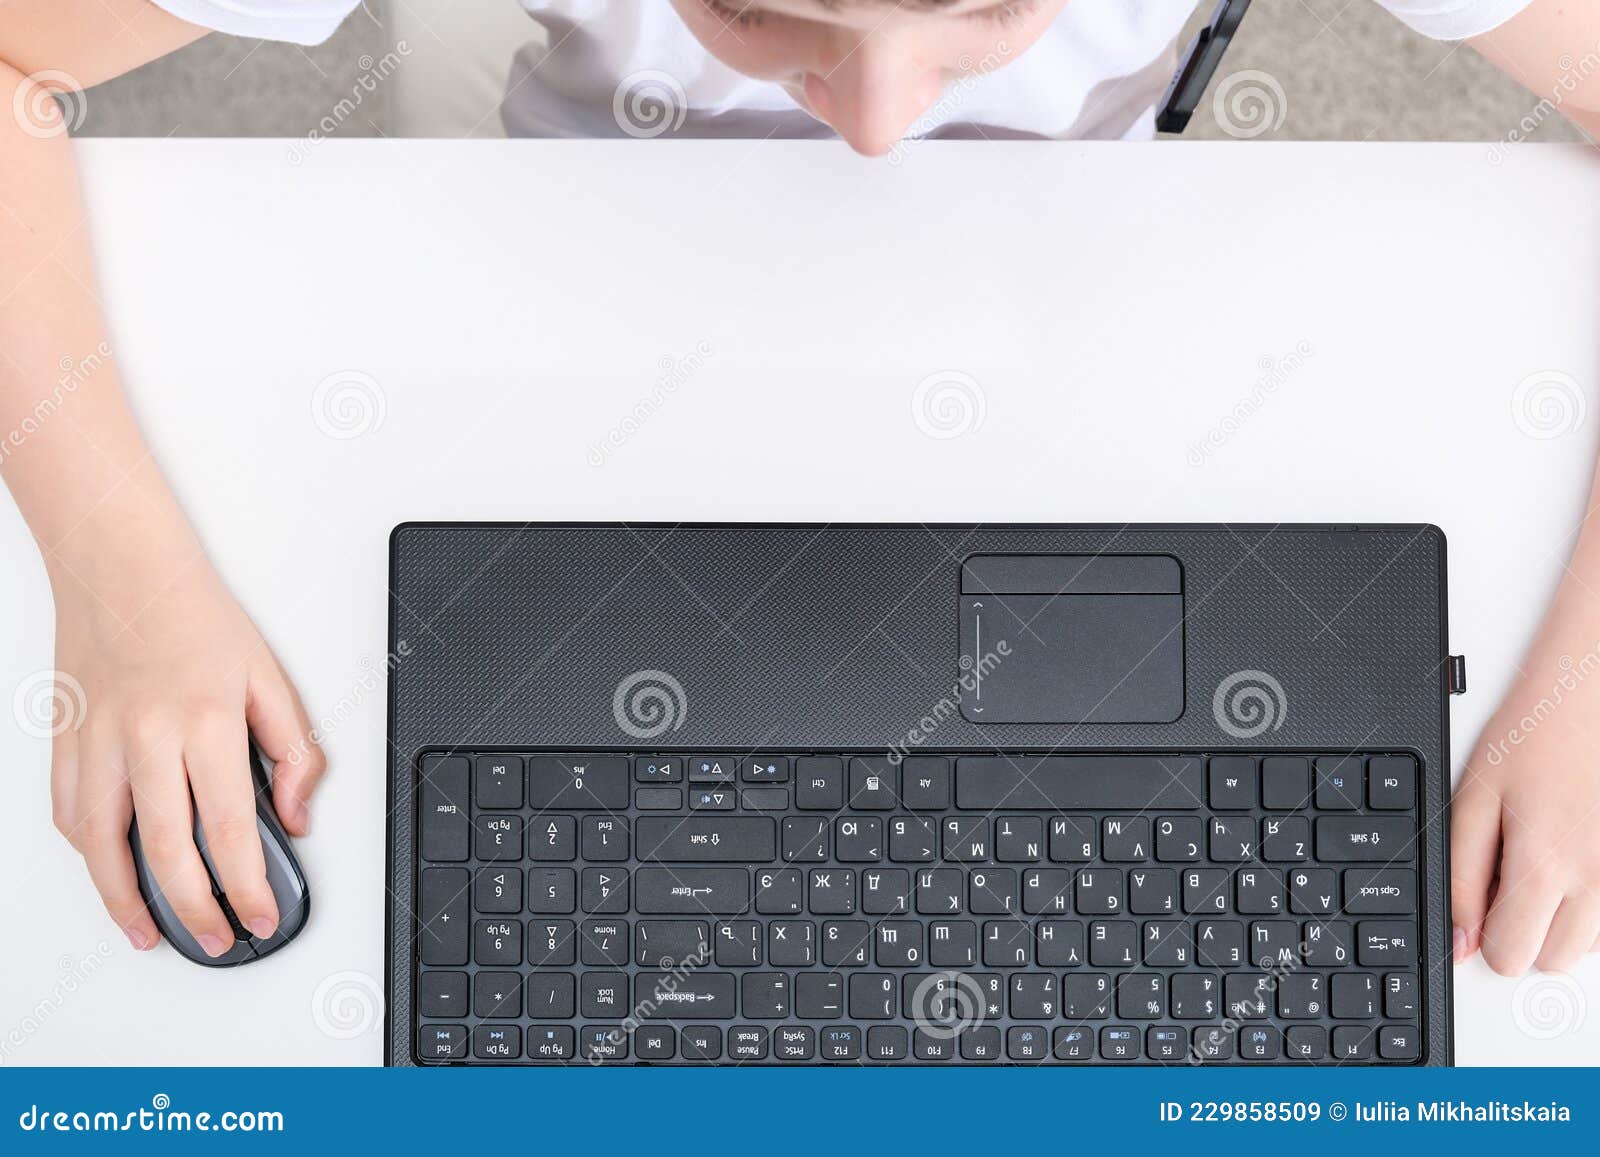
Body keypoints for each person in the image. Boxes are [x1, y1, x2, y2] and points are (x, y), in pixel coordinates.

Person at [1, 0, 1597, 976]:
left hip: (1085, 307)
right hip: (565, 297)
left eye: (987, 13)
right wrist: (120, 576)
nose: (881, 128)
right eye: (757, 14)